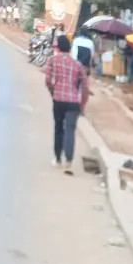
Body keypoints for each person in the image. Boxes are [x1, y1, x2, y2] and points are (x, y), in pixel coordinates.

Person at [45, 32, 89, 174]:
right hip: (73, 103)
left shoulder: (53, 60)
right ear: (69, 48)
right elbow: (86, 87)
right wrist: (82, 104)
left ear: (58, 47)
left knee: (58, 128)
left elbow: (47, 80)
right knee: (70, 130)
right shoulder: (78, 65)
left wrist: (53, 92)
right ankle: (69, 162)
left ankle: (57, 159)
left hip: (58, 100)